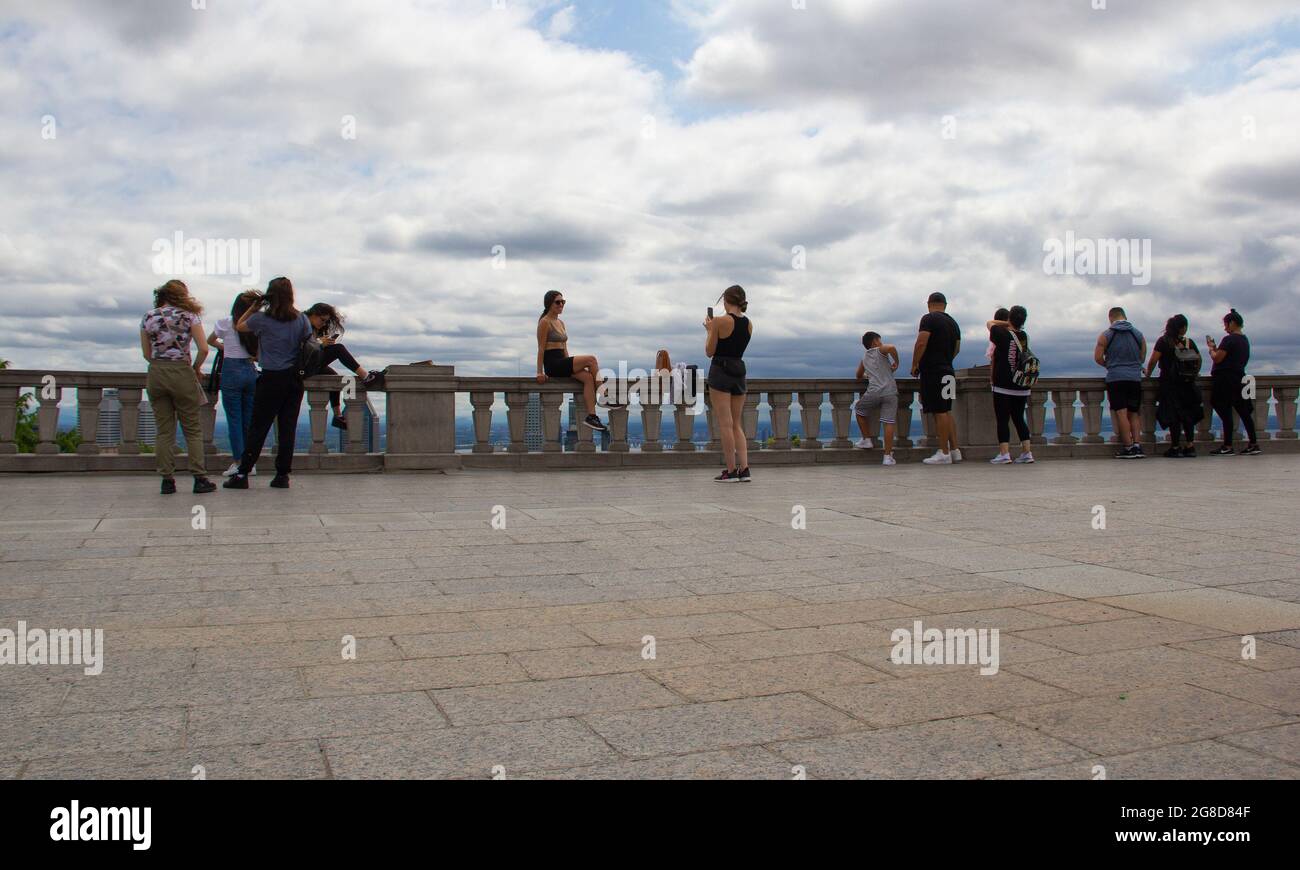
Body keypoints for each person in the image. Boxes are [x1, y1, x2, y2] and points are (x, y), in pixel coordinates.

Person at [224, 277, 313, 490]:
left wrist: (254, 308)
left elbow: (239, 326)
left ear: (270, 295)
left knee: (258, 427)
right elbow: (309, 342)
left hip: (271, 377)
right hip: (294, 380)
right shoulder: (301, 319)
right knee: (287, 428)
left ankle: (243, 473)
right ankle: (282, 475)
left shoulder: (262, 319)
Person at [140, 280, 216, 495]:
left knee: (164, 431)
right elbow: (203, 348)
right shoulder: (189, 316)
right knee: (192, 429)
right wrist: (195, 368)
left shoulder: (148, 316)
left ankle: (167, 479)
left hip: (156, 372)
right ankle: (199, 478)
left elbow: (146, 353)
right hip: (181, 372)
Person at [535, 291, 608, 433]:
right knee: (591, 359)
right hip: (553, 364)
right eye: (558, 302)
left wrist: (571, 365)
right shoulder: (544, 322)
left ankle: (592, 416)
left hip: (562, 361)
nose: (561, 304)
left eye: (563, 302)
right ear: (549, 304)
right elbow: (541, 349)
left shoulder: (560, 323)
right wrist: (539, 372)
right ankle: (604, 395)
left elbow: (564, 347)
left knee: (587, 377)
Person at [208, 291, 262, 477]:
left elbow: (210, 340)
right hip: (250, 370)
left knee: (234, 420)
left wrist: (225, 347)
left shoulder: (225, 322)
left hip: (231, 369)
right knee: (248, 420)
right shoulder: (254, 323)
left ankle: (239, 462)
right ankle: (250, 462)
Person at [705, 285, 753, 482]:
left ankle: (731, 470)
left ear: (725, 300)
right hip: (739, 372)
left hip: (720, 371)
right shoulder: (749, 324)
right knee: (736, 424)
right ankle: (745, 469)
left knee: (725, 424)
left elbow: (709, 351)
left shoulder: (719, 321)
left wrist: (709, 330)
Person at [911, 292, 963, 465]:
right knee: (947, 410)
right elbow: (957, 348)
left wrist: (915, 364)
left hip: (934, 371)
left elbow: (921, 342)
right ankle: (955, 450)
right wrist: (947, 360)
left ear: (929, 304)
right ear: (945, 305)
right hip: (949, 370)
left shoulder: (928, 319)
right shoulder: (953, 322)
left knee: (938, 411)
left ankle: (944, 452)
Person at [1143, 314, 1204, 458]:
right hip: (1188, 384)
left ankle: (1175, 447)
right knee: (1188, 414)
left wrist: (1148, 374)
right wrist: (1194, 373)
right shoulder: (1189, 342)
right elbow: (1199, 359)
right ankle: (1190, 446)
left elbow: (1153, 360)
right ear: (1182, 327)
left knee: (1173, 416)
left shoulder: (1164, 341)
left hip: (1169, 383)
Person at [304, 303, 371, 431]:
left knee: (333, 377)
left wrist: (322, 343)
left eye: (325, 321)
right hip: (302, 366)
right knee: (338, 349)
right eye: (322, 320)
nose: (323, 324)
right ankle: (366, 376)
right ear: (313, 314)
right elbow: (301, 349)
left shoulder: (310, 327)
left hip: (307, 364)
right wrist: (320, 344)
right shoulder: (301, 325)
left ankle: (338, 415)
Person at [1207, 308, 1261, 456]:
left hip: (1225, 379)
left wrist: (1211, 349)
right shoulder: (1244, 340)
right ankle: (1253, 443)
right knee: (1244, 412)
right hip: (1240, 378)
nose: (1225, 328)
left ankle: (1228, 445)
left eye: (1226, 324)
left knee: (1223, 409)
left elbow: (1218, 358)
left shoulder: (1229, 339)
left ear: (1232, 323)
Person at [1094, 307, 1147, 459]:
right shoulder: (1138, 334)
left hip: (1116, 378)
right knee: (1134, 413)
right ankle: (1137, 445)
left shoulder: (1106, 335)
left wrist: (1110, 365)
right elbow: (1142, 356)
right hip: (1134, 378)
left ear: (1110, 318)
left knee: (1121, 413)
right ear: (1125, 316)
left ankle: (1128, 447)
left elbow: (1098, 358)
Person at [986, 306, 1035, 465]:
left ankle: (1004, 454)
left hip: (1003, 384)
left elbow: (989, 322)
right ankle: (1027, 453)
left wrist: (1006, 323)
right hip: (1021, 385)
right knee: (1019, 418)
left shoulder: (1001, 333)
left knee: (1002, 419)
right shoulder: (1024, 336)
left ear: (1009, 318)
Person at [853, 332, 900, 466]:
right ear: (875, 341)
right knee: (888, 423)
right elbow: (891, 347)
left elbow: (858, 375)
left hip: (874, 392)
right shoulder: (880, 350)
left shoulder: (864, 358)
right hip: (890, 392)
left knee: (859, 410)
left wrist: (869, 375)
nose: (881, 343)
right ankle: (887, 456)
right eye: (880, 340)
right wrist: (896, 362)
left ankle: (867, 439)